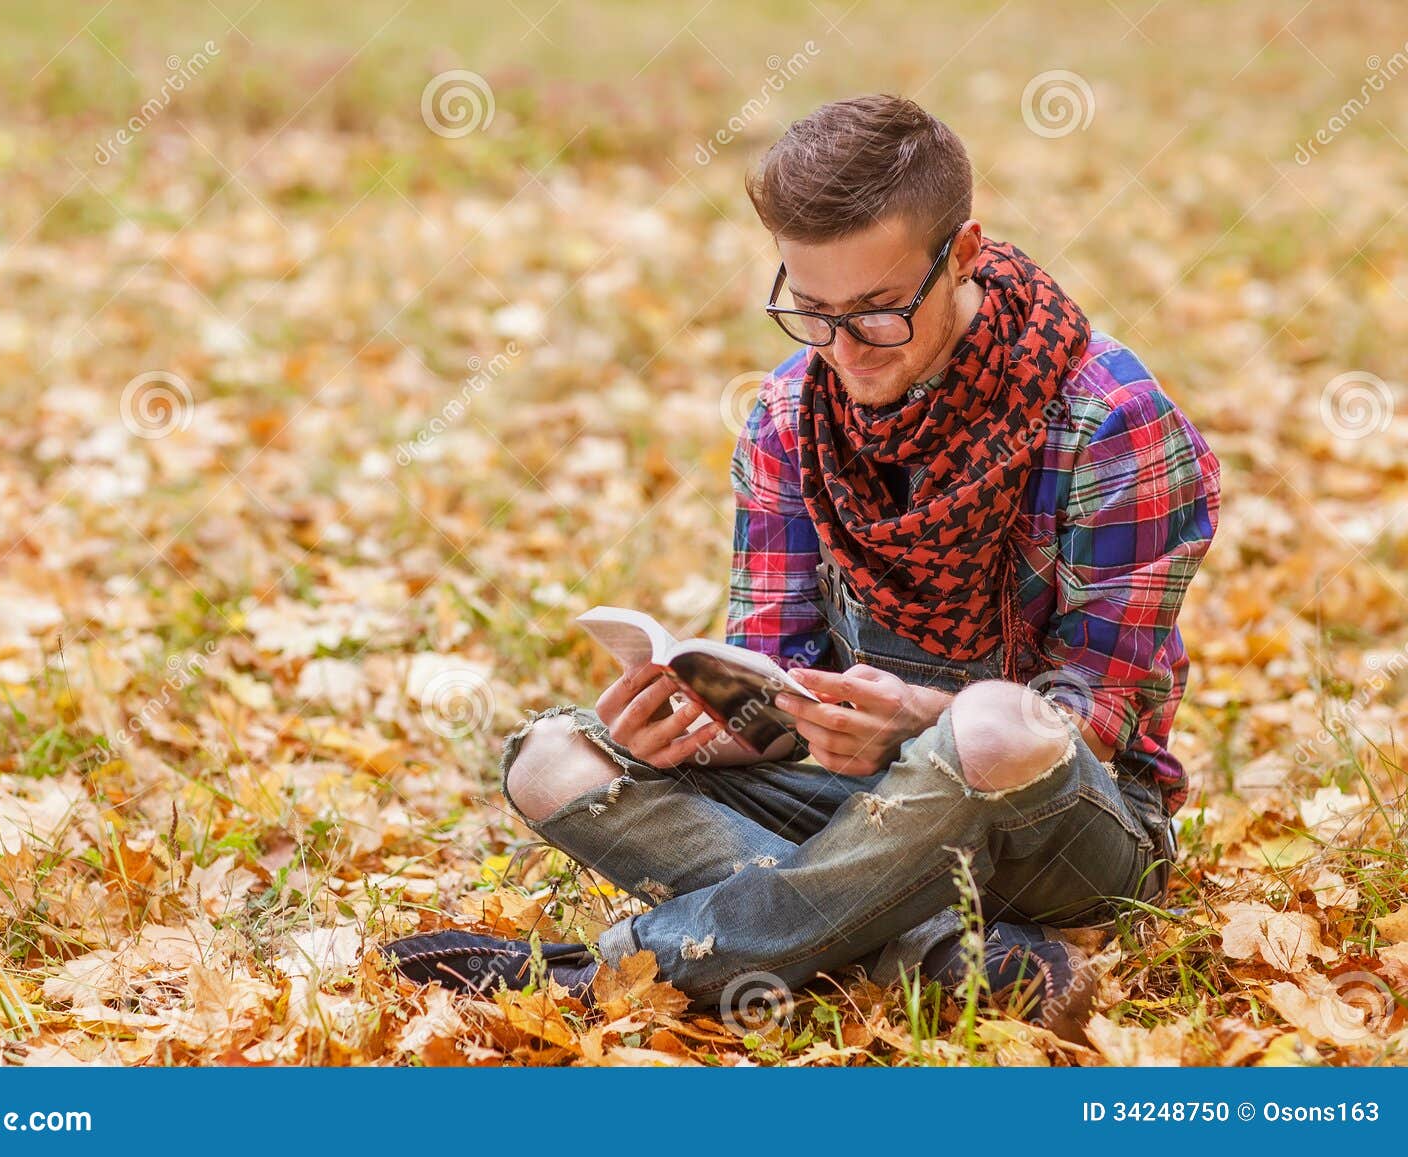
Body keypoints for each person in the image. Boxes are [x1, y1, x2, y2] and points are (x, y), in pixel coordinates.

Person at [386, 93, 1222, 1043]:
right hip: (850, 802)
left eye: (876, 313)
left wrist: (925, 720)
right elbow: (774, 667)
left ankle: (599, 971)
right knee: (550, 759)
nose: (841, 349)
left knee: (991, 725)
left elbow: (1092, 717)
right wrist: (708, 725)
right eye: (811, 311)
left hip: (1062, 822)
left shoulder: (1112, 420)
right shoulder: (791, 414)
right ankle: (942, 954)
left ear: (964, 253)